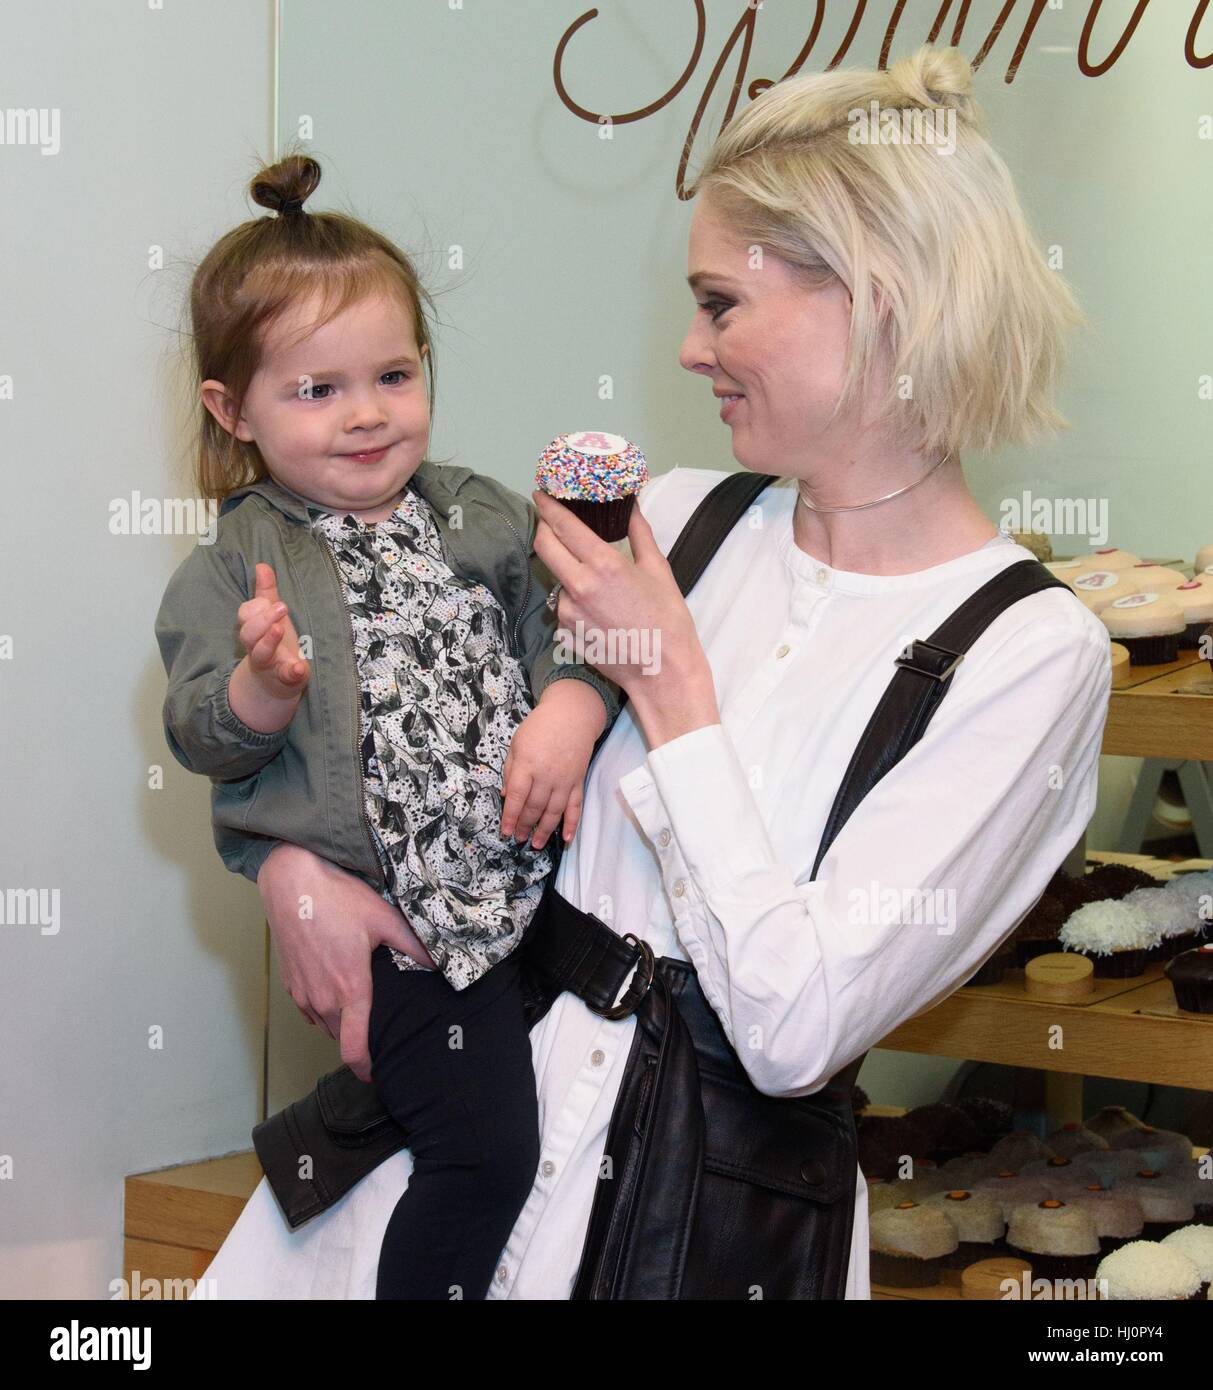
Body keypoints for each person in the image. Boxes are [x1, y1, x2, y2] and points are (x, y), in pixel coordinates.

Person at [187, 46, 1110, 1300]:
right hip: (442, 1161)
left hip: (700, 1226)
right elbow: (400, 733)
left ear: (878, 296)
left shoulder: (1028, 653)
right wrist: (292, 870)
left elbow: (794, 1030)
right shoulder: (666, 516)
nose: (687, 347)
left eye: (721, 302)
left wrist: (669, 685)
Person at [155, 154, 616, 1299]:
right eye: (315, 391)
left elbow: (576, 627)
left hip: (536, 898)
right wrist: (263, 687)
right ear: (233, 409)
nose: (365, 413)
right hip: (403, 932)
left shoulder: (479, 512)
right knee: (483, 1153)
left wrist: (571, 699)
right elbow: (206, 736)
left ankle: (327, 1145)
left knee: (552, 1126)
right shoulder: (235, 565)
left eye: (394, 375)